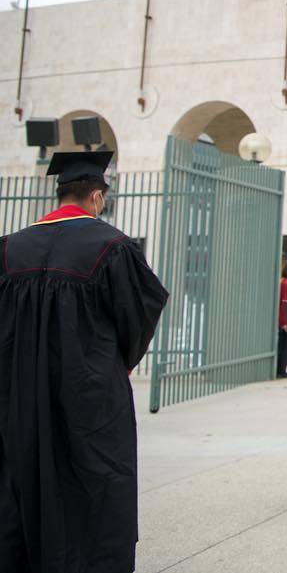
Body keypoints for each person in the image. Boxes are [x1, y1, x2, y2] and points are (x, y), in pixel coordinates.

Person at [0, 150, 169, 573]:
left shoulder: (10, 247)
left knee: (23, 471)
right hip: (88, 392)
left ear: (59, 195)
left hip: (18, 391)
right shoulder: (111, 246)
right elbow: (138, 313)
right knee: (94, 476)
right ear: (96, 197)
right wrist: (121, 362)